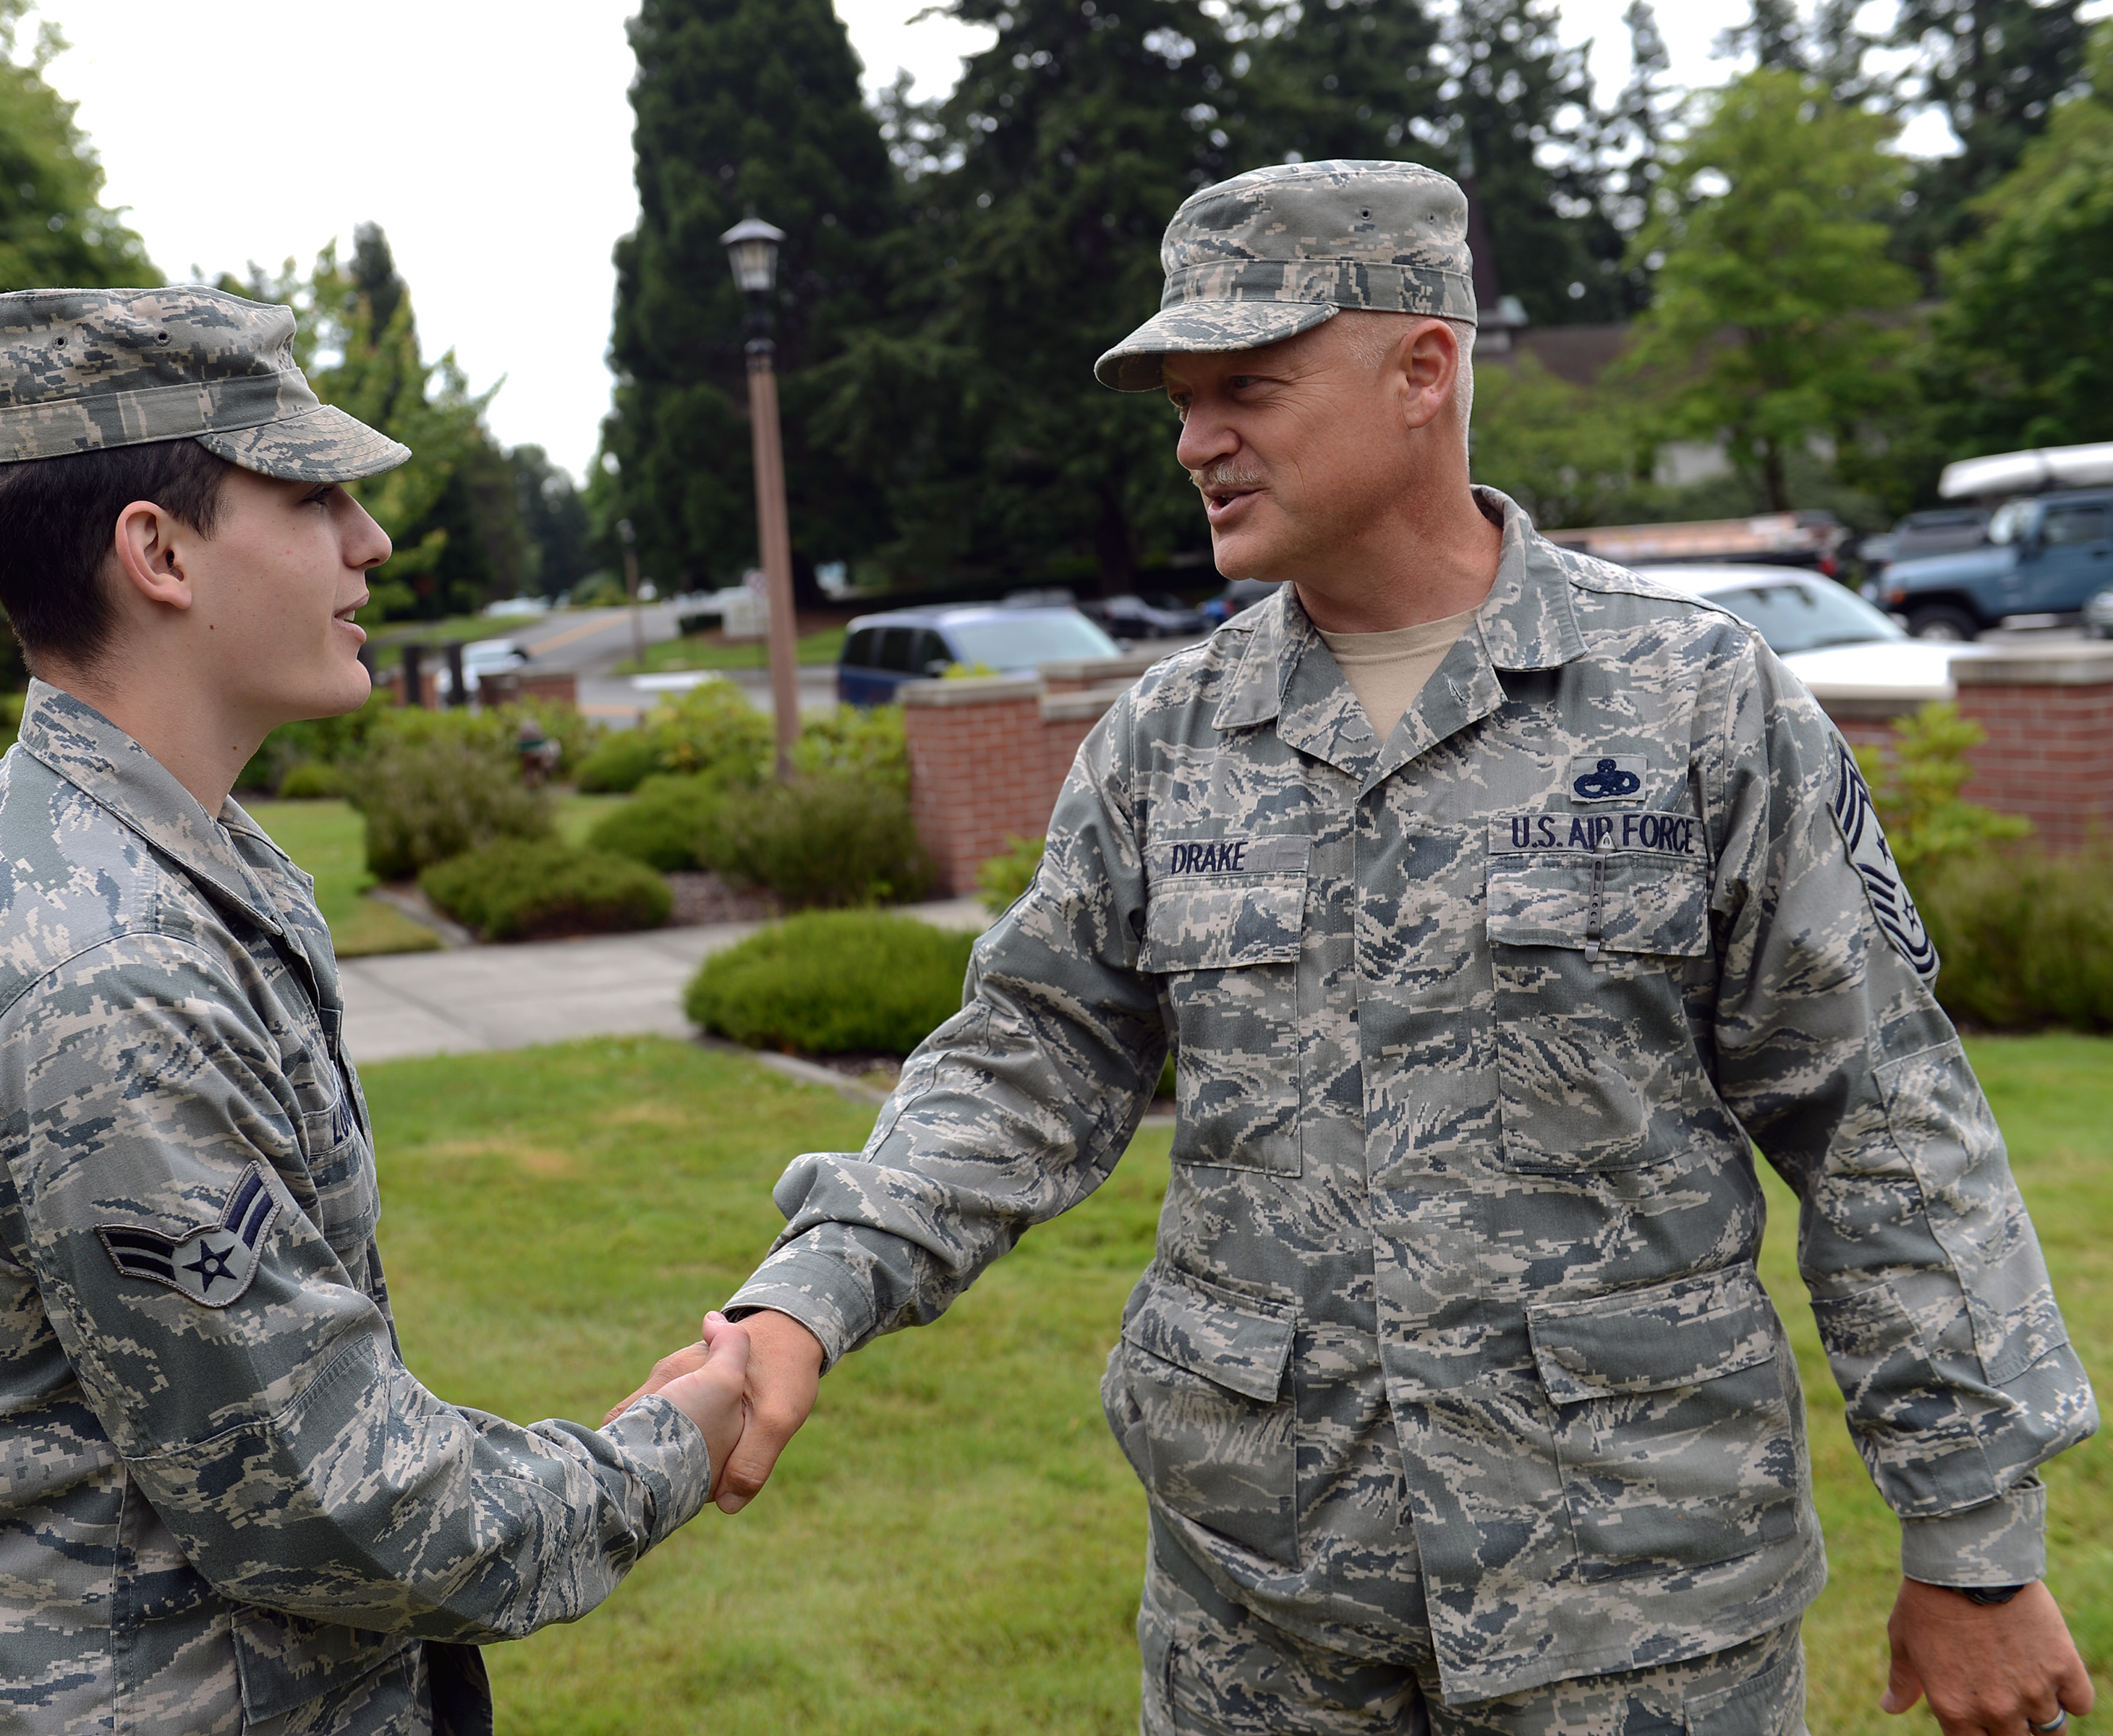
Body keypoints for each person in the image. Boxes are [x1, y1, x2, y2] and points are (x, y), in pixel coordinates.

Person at [620, 162, 2096, 1734]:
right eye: (1181, 401)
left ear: (1423, 370)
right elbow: (1022, 1063)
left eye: (1246, 385)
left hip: (1636, 1613)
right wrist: (808, 1299)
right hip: (1264, 1612)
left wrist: (1973, 1544)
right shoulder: (1171, 738)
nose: (1196, 441)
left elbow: (1883, 1125)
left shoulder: (1693, 706)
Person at [0, 286, 749, 1736]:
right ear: (161, 551)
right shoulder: (108, 972)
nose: (370, 543)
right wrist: (666, 1452)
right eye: (317, 497)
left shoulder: (140, 863)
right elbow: (326, 1506)